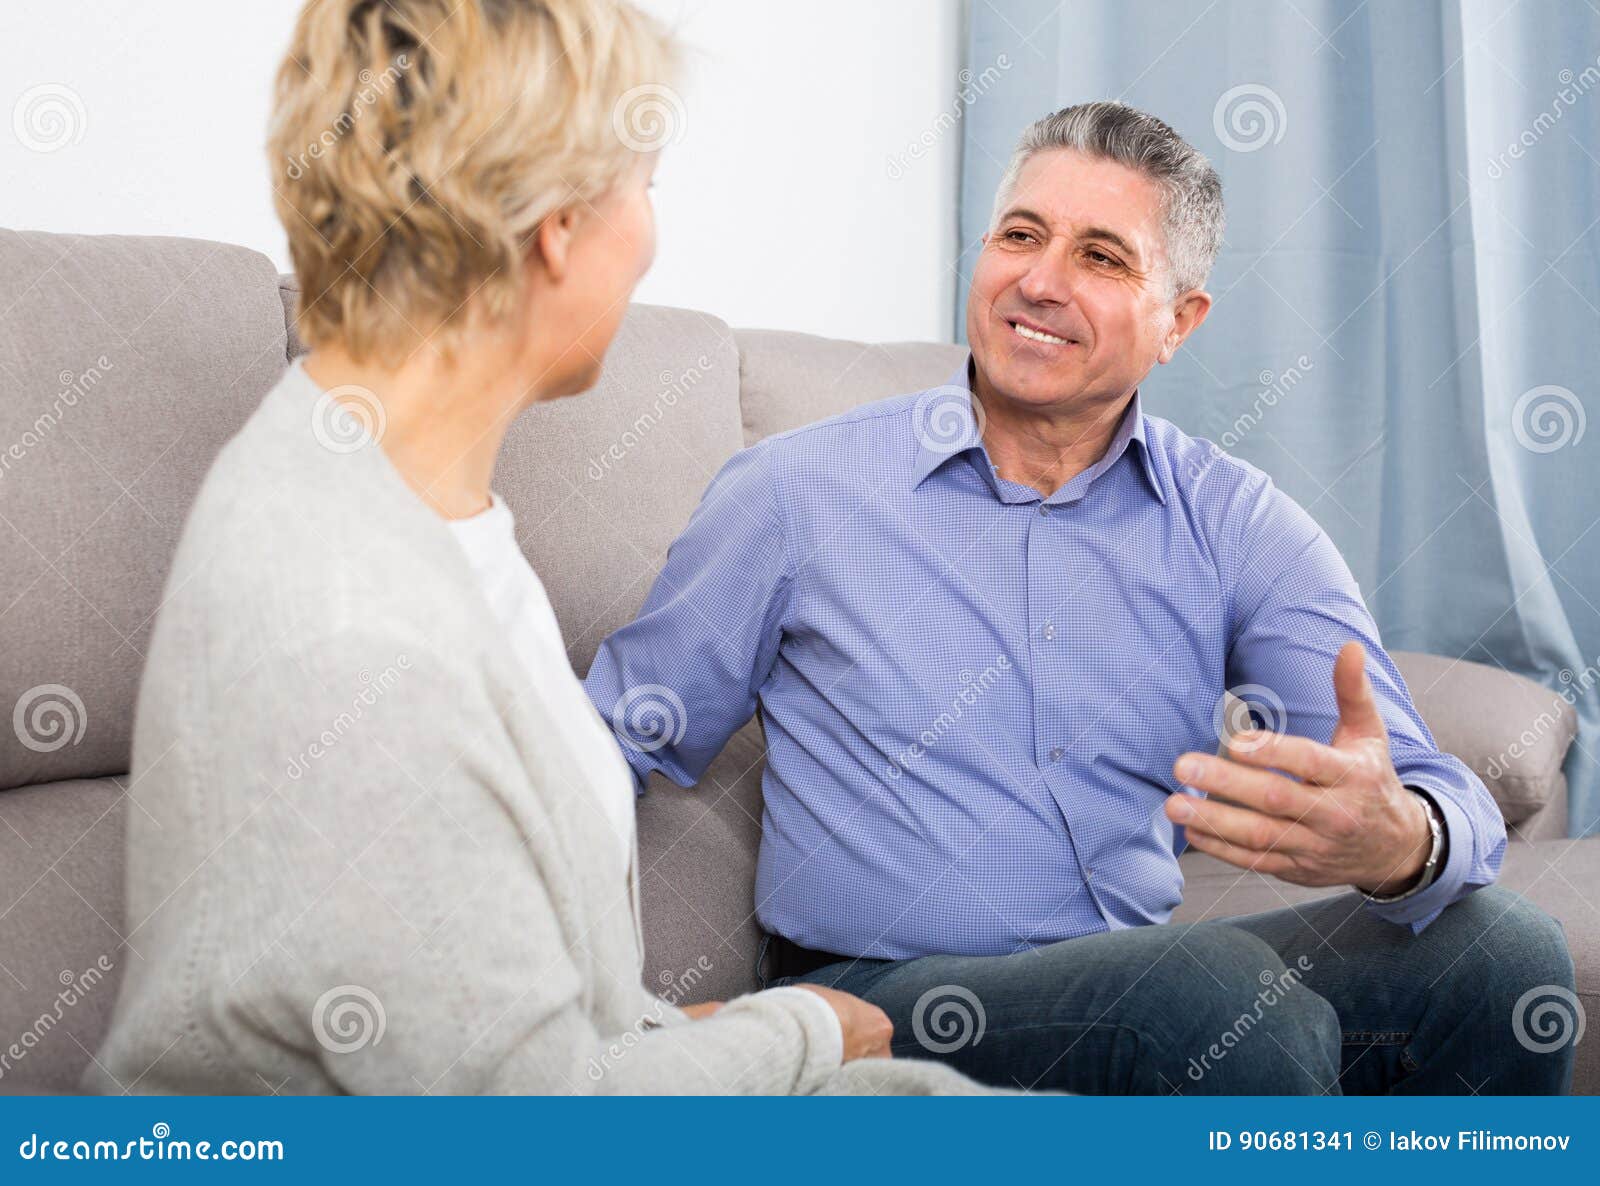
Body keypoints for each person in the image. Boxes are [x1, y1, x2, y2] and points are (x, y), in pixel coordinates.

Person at [584, 101, 1577, 1094]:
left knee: (1499, 955)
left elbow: (1426, 786)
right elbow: (601, 743)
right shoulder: (794, 494)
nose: (1040, 279)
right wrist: (606, 1017)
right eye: (1020, 235)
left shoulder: (1232, 522)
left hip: (1140, 974)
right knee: (1211, 994)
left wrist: (1403, 836)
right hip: (881, 996)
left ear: (1178, 321)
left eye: (1101, 256)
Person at [86, 0, 984, 1097]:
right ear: (559, 223)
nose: (652, 235)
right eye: (644, 184)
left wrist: (658, 1034)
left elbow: (492, 1010)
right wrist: (795, 1030)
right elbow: (535, 1123)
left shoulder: (416, 505)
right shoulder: (349, 619)